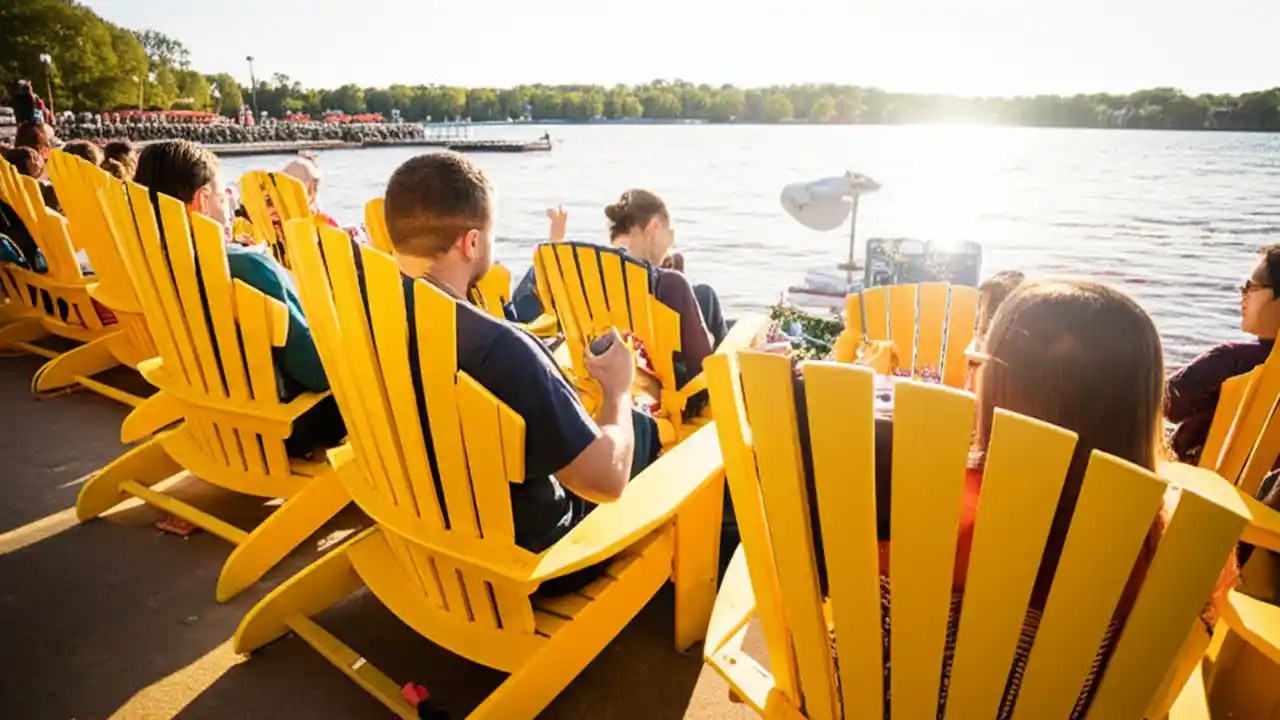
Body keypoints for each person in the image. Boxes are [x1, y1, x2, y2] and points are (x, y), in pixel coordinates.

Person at [801, 279, 1235, 716]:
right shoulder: (1172, 553)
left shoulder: (932, 509)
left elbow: (856, 655)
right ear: (1142, 407)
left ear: (1000, 385)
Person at [383, 152, 658, 582]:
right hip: (532, 557)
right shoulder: (501, 349)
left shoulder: (371, 312)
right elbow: (605, 482)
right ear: (470, 242)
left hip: (426, 517)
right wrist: (619, 390)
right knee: (642, 431)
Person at [132, 140, 341, 459]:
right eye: (222, 195)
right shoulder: (248, 266)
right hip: (287, 425)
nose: (230, 204)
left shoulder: (155, 262)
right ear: (202, 200)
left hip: (212, 414)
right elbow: (317, 371)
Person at [1166, 245, 1280, 462]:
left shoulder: (1231, 362)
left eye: (1250, 287)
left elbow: (1165, 403)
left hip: (1206, 483)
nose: (1242, 296)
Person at [280, 152, 338, 227]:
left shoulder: (287, 168)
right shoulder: (313, 173)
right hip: (305, 216)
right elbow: (314, 195)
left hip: (285, 212)